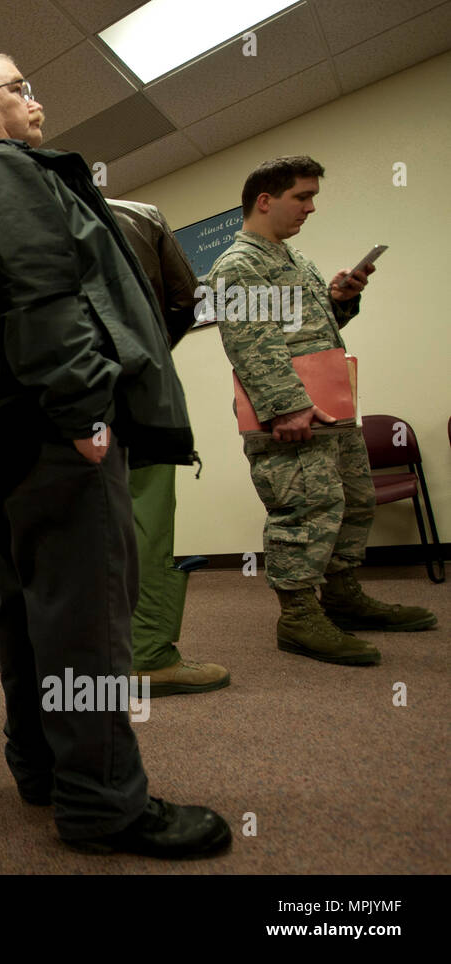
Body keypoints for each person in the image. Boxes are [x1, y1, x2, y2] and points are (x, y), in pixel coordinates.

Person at [0, 53, 228, 857]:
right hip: (48, 426)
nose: (37, 102)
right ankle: (102, 803)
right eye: (20, 89)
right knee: (88, 617)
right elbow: (37, 288)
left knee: (29, 613)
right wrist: (81, 407)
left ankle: (39, 764)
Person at [209, 156, 436, 664]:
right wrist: (287, 408)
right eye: (302, 197)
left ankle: (341, 596)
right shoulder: (239, 264)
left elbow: (308, 335)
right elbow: (251, 341)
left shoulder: (296, 261)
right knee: (304, 509)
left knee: (352, 502)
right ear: (264, 200)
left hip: (330, 408)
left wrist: (339, 300)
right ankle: (298, 617)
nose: (311, 208)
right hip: (289, 414)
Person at [108, 198, 231, 697]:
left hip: (54, 406)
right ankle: (147, 657)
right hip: (135, 397)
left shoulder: (12, 216)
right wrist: (146, 357)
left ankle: (83, 657)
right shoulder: (136, 215)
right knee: (145, 523)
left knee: (75, 534)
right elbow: (184, 302)